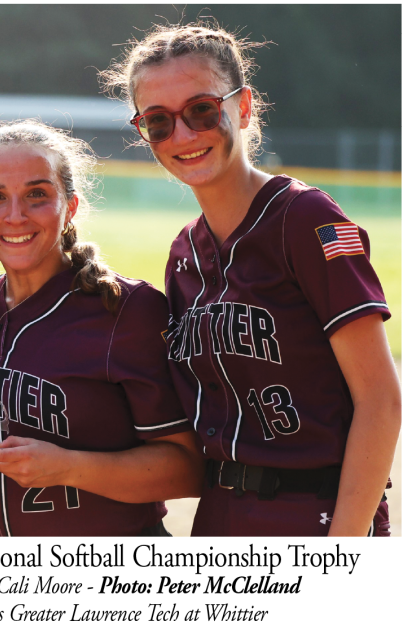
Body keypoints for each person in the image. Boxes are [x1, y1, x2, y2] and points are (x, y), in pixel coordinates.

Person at [101, 22, 400, 536]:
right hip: (221, 515)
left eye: (201, 110)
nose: (184, 135)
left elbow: (381, 401)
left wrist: (343, 552)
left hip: (317, 510)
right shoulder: (183, 255)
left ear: (243, 107)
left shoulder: (304, 219)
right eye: (158, 122)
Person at [0, 121, 203, 536]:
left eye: (37, 195)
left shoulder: (126, 309)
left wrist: (68, 467)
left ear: (70, 208)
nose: (15, 215)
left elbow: (189, 469)